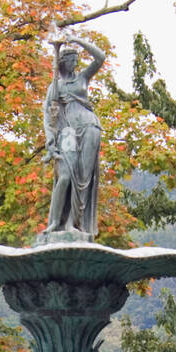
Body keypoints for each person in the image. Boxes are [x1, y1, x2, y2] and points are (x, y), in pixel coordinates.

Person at [43, 33, 105, 236]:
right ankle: (54, 222)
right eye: (71, 60)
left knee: (83, 178)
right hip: (67, 131)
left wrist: (77, 40)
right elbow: (48, 114)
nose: (75, 63)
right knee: (66, 177)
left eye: (77, 60)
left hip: (89, 127)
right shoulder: (56, 85)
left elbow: (100, 57)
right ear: (63, 62)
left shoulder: (82, 78)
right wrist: (50, 142)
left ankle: (73, 223)